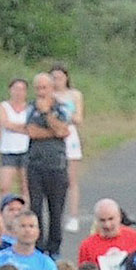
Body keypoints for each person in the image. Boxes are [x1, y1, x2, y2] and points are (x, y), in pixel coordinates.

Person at [24, 72, 73, 257]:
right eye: (37, 88)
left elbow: (64, 130)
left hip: (57, 165)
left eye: (44, 88)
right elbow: (31, 132)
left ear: (52, 88)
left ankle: (54, 249)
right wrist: (54, 131)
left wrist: (47, 114)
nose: (40, 92)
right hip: (35, 165)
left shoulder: (62, 107)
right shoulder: (30, 107)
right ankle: (38, 246)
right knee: (36, 207)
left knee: (56, 210)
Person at [50, 64, 85, 232]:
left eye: (60, 77)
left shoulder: (74, 95)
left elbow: (78, 118)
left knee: (71, 179)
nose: (57, 81)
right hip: (53, 136)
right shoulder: (48, 96)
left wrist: (64, 113)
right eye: (53, 78)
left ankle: (73, 215)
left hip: (70, 135)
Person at [79, 199, 136, 270]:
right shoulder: (87, 246)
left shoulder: (135, 238)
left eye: (111, 219)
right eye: (102, 220)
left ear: (119, 217)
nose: (107, 225)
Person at [0, 77, 31, 203]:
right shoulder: (3, 106)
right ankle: (4, 214)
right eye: (15, 89)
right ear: (10, 90)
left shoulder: (30, 107)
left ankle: (26, 215)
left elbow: (32, 128)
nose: (18, 92)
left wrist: (15, 126)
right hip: (8, 150)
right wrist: (23, 128)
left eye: (22, 89)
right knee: (4, 186)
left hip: (26, 149)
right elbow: (5, 123)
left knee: (25, 187)